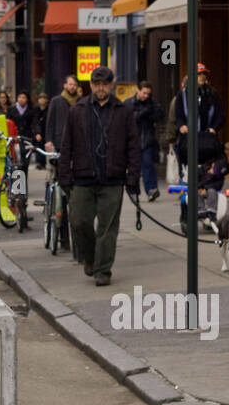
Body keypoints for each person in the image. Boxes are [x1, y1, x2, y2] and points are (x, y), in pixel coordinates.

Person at [58, 65, 140, 287]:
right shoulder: (78, 110)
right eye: (97, 84)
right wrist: (63, 176)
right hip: (83, 178)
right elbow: (66, 146)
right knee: (79, 221)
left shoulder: (123, 111)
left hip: (112, 179)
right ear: (91, 85)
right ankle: (91, 258)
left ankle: (103, 270)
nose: (100, 88)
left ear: (111, 85)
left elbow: (133, 146)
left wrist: (132, 177)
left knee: (107, 229)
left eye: (104, 84)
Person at [173, 63, 225, 173]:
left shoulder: (212, 93)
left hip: (207, 139)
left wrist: (214, 128)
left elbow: (220, 115)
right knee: (189, 171)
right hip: (188, 140)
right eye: (199, 74)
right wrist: (181, 125)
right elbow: (178, 115)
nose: (202, 76)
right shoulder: (182, 94)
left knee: (206, 170)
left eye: (204, 74)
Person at [124, 81, 164, 202]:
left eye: (148, 94)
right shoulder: (129, 103)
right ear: (138, 90)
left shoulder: (152, 104)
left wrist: (153, 107)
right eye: (144, 93)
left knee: (148, 165)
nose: (145, 96)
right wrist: (146, 111)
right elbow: (130, 118)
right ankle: (133, 191)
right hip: (132, 140)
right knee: (133, 167)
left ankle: (151, 189)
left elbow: (160, 116)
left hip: (147, 139)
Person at [45, 74, 79, 157]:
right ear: (65, 85)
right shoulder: (56, 101)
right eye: (70, 84)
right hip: (60, 140)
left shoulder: (81, 102)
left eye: (75, 85)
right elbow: (50, 122)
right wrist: (49, 140)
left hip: (77, 141)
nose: (72, 87)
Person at [32, 91, 50, 169]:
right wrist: (37, 133)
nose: (42, 100)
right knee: (38, 146)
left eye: (44, 98)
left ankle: (45, 162)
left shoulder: (49, 109)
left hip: (46, 131)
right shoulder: (35, 109)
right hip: (38, 132)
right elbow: (35, 122)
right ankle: (39, 162)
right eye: (41, 99)